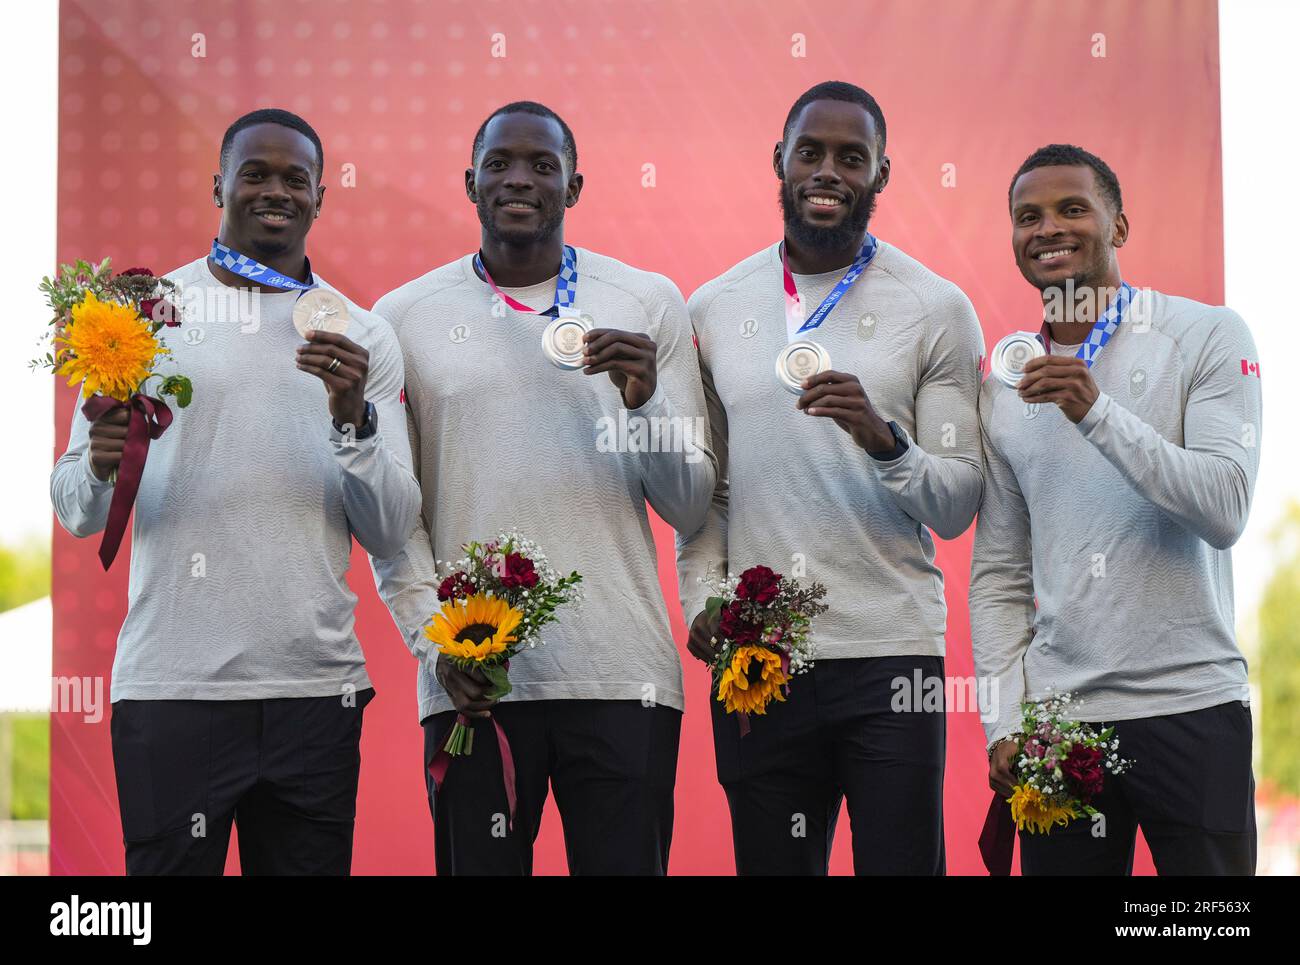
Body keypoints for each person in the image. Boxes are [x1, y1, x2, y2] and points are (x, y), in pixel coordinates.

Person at [50, 108, 420, 875]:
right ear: (218, 183)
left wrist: (356, 422)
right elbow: (77, 510)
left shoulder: (363, 336)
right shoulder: (141, 317)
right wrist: (98, 465)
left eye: (295, 178)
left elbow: (390, 529)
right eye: (255, 173)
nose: (274, 191)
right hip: (171, 687)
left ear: (322, 197)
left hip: (315, 692)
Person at [369, 101, 716, 875]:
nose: (519, 179)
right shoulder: (401, 318)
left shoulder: (647, 301)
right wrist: (436, 644)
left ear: (576, 185)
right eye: (499, 164)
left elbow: (691, 504)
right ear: (470, 182)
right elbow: (395, 521)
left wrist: (646, 399)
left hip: (622, 674)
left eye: (542, 165)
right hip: (477, 683)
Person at [676, 81, 985, 875]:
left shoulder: (937, 307)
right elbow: (708, 491)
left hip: (890, 652)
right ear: (778, 160)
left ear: (881, 175)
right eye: (810, 152)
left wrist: (884, 441)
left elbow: (955, 502)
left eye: (853, 158)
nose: (827, 171)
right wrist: (703, 595)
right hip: (762, 656)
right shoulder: (711, 307)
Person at [971, 143, 1260, 875]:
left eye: (1073, 208)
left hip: (1191, 706)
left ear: (1119, 227)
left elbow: (1225, 507)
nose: (1048, 228)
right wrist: (1005, 719)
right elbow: (1000, 575)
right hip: (1061, 723)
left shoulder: (1207, 335)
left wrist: (1096, 410)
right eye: (1027, 216)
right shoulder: (1003, 385)